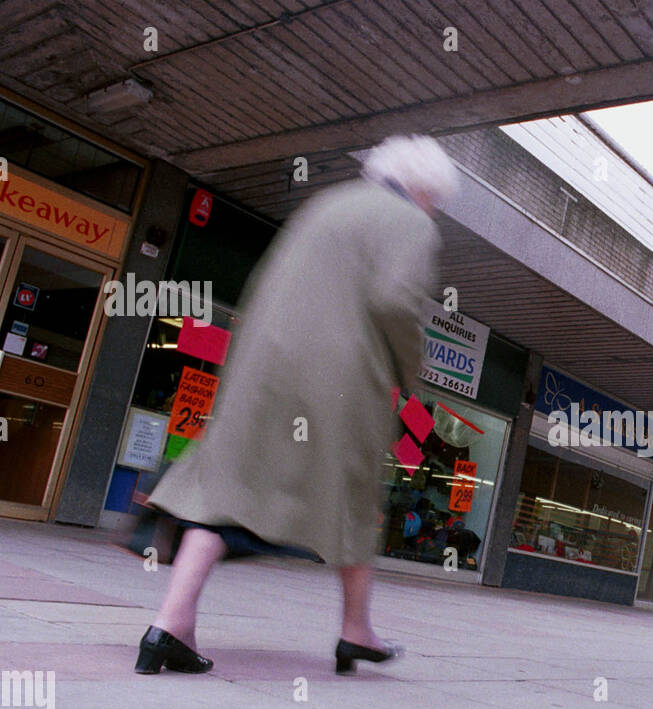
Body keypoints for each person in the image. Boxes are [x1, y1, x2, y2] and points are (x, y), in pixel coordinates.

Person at [133, 135, 459, 677]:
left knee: (224, 492)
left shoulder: (327, 203)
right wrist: (409, 370)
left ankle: (169, 623)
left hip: (264, 363)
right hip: (338, 379)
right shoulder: (411, 223)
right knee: (352, 496)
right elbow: (394, 301)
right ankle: (355, 631)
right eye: (437, 200)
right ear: (425, 189)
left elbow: (266, 281)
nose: (434, 209)